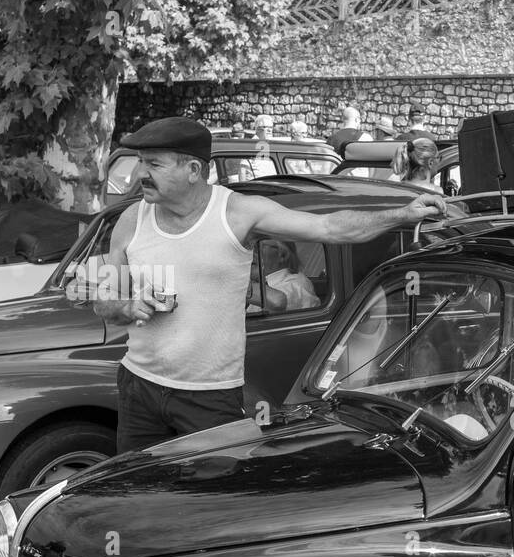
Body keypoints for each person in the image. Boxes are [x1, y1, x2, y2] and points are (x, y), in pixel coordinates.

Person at [67, 116, 445, 453]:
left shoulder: (238, 213)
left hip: (210, 398)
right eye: (140, 163)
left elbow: (328, 227)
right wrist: (128, 306)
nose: (139, 175)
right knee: (138, 499)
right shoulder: (133, 218)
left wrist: (402, 213)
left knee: (215, 499)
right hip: (140, 388)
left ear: (194, 170)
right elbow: (105, 299)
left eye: (154, 164)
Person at [246, 240, 318, 313]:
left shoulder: (296, 284)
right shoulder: (260, 281)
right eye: (248, 247)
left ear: (282, 256)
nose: (251, 252)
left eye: (258, 246)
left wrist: (240, 285)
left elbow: (277, 301)